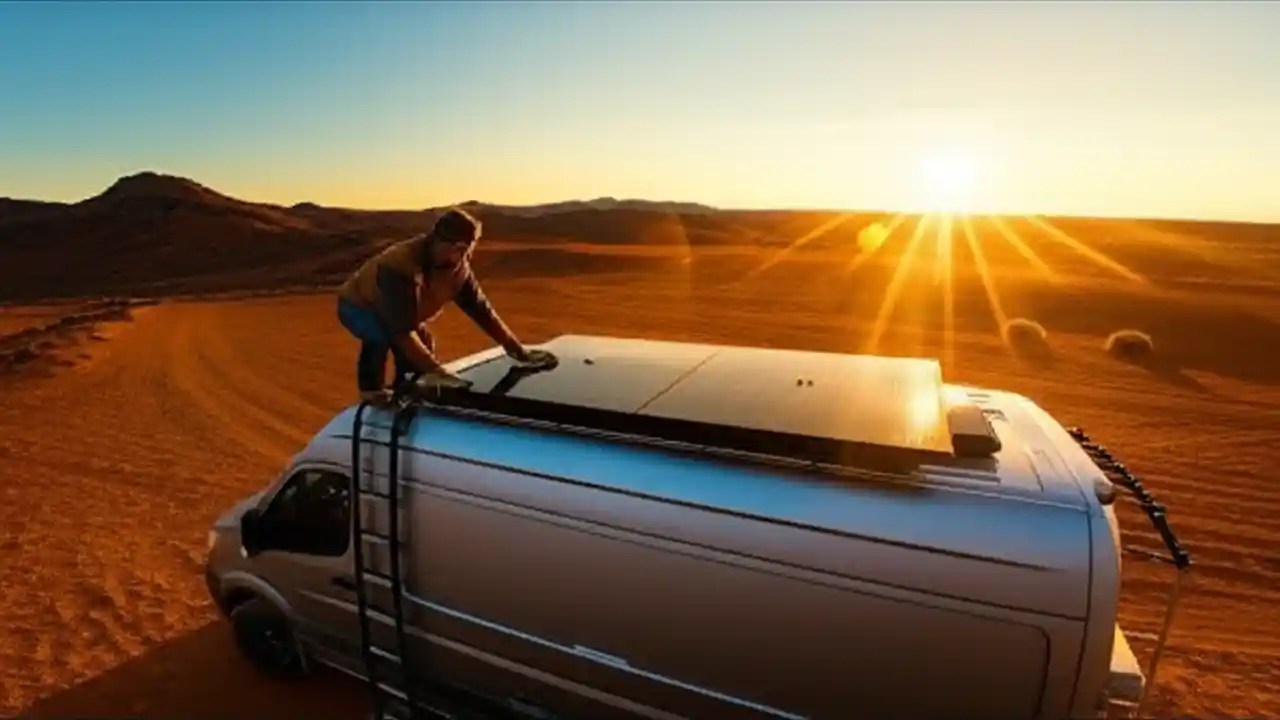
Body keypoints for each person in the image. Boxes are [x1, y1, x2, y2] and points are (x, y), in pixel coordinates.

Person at [336, 207, 556, 403]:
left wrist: (517, 350)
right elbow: (401, 330)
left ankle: (407, 391)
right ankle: (372, 393)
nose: (460, 256)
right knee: (380, 335)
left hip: (402, 313)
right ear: (436, 240)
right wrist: (436, 371)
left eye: (467, 249)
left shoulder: (458, 269)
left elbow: (481, 311)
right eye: (456, 248)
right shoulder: (399, 265)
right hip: (358, 306)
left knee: (424, 342)